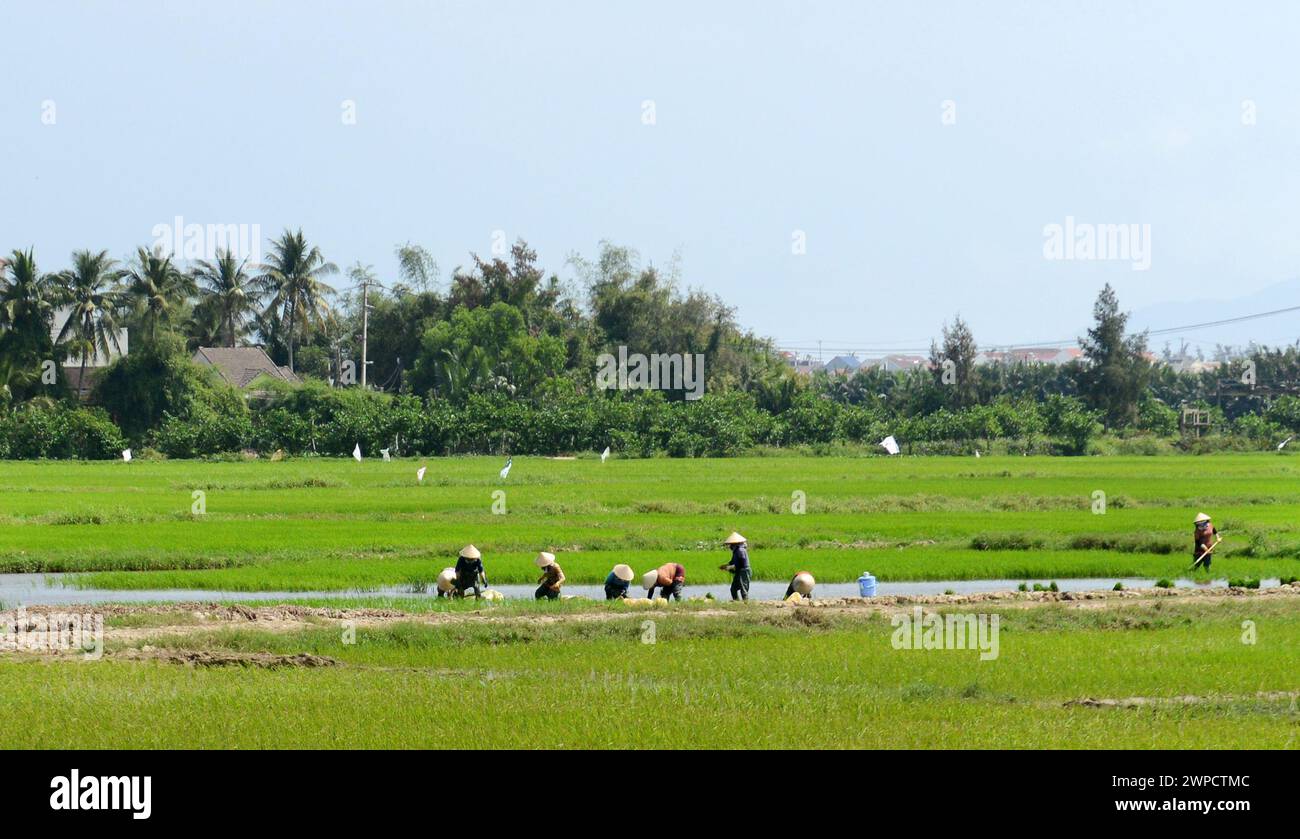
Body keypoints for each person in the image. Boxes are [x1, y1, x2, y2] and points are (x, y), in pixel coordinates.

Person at [720, 532, 751, 601]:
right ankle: (737, 602)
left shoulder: (740, 550)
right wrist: (726, 566)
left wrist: (731, 567)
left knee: (743, 589)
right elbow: (732, 561)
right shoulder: (736, 551)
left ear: (734, 544)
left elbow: (741, 562)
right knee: (733, 589)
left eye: (730, 544)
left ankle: (746, 603)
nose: (730, 546)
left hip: (743, 571)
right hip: (739, 571)